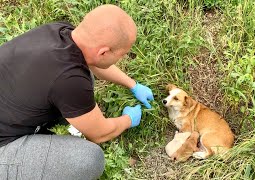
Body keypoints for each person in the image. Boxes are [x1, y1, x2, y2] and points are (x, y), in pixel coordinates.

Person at [0, 4, 154, 179]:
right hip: (3, 145)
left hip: (9, 101)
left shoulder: (60, 31)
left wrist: (132, 84)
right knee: (88, 159)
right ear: (104, 52)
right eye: (123, 54)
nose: (123, 58)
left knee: (84, 77)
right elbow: (100, 133)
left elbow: (94, 62)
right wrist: (128, 120)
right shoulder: (70, 81)